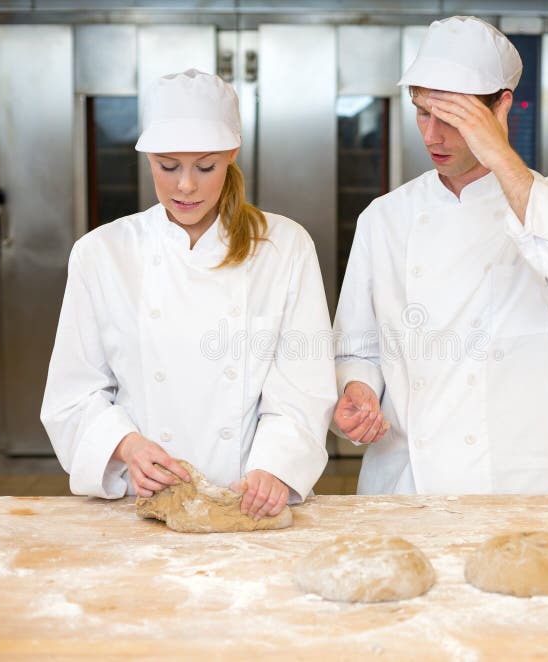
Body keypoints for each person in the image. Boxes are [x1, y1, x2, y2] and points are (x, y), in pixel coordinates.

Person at [332, 17, 548, 495]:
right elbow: (358, 347)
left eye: (453, 118)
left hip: (522, 478)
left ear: (501, 107)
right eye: (423, 112)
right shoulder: (384, 217)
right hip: (408, 481)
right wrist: (357, 389)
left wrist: (499, 154)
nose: (432, 135)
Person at [41, 69, 335, 519]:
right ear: (147, 159)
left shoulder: (285, 246)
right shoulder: (102, 253)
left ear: (232, 154)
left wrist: (275, 467)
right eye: (168, 165)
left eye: (205, 166)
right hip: (139, 505)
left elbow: (303, 382)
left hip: (247, 502)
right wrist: (127, 446)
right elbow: (73, 393)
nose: (185, 186)